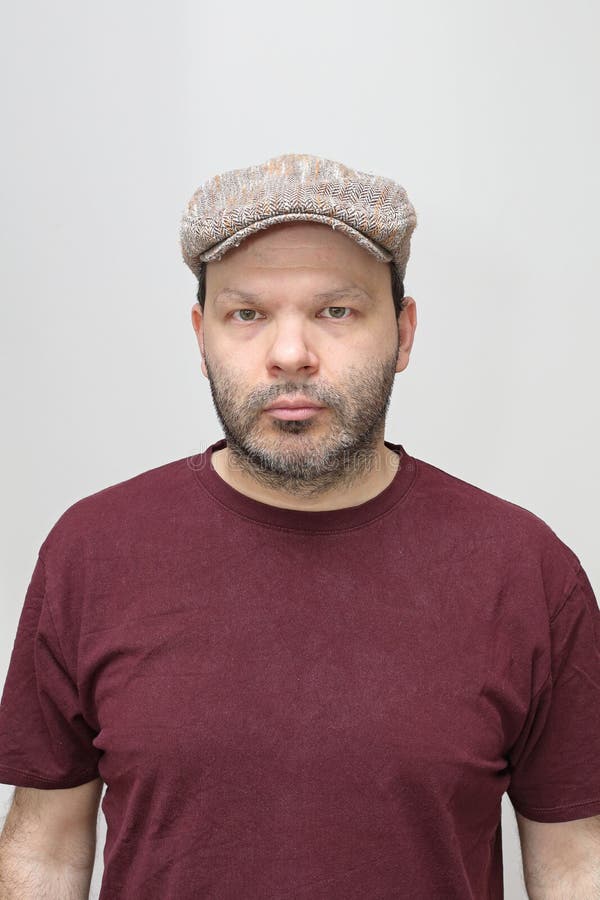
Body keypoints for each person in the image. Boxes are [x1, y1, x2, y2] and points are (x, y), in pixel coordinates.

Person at [0, 153, 599, 899]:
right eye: (246, 314)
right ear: (201, 336)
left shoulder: (525, 569)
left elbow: (578, 863)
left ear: (404, 333)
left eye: (335, 311)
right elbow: (48, 850)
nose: (290, 354)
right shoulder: (91, 552)